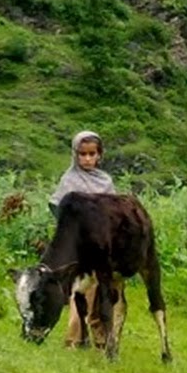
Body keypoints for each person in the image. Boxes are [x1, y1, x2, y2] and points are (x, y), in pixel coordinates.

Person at [48, 130, 116, 347]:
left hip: (102, 247)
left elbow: (113, 212)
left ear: (99, 155)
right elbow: (59, 209)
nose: (87, 159)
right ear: (75, 155)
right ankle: (73, 338)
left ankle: (100, 338)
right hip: (78, 249)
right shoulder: (70, 181)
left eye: (92, 154)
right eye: (83, 154)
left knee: (100, 293)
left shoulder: (105, 181)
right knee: (80, 292)